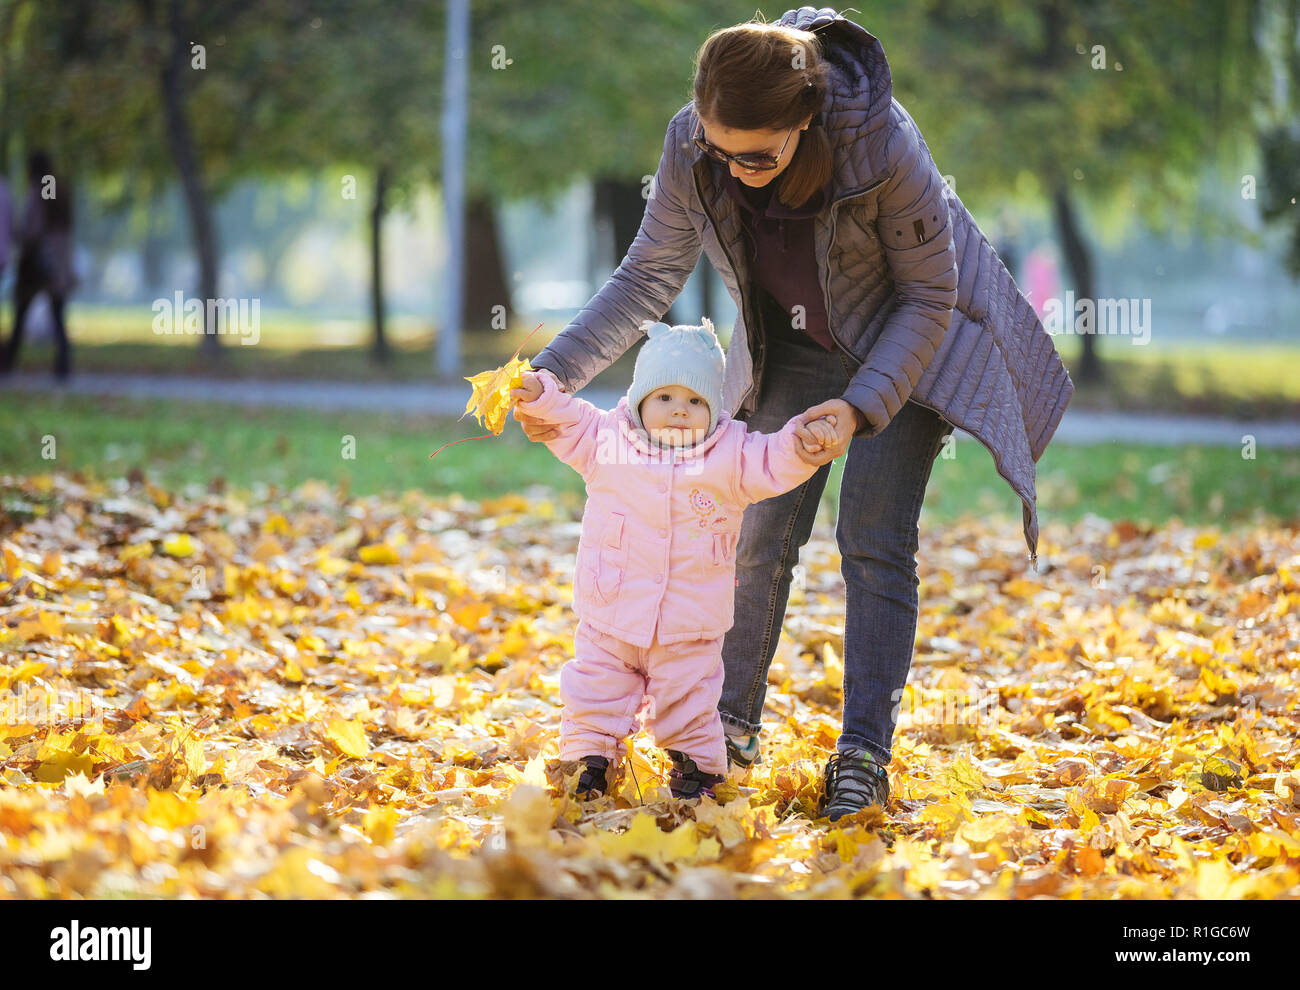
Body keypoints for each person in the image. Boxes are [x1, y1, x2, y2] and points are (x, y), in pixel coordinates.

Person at [514, 8, 1073, 821]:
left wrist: (860, 407)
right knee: (754, 528)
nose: (737, 168)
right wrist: (550, 376)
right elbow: (646, 276)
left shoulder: (882, 145)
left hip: (902, 346)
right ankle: (726, 725)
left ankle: (862, 758)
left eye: (759, 154)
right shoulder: (692, 144)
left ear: (806, 121)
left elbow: (929, 295)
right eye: (720, 148)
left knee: (875, 540)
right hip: (795, 342)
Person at [511, 318, 836, 800]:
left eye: (695, 401)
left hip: (689, 621)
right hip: (611, 611)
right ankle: (587, 761)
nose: (679, 411)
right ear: (640, 399)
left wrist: (802, 443)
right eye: (664, 398)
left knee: (690, 701)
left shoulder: (733, 454)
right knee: (595, 691)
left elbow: (774, 460)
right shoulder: (606, 441)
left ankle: (698, 771)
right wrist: (538, 391)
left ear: (715, 408)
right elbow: (565, 418)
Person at [1, 150, 76, 379]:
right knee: (56, 313)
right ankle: (62, 363)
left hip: (40, 261)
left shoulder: (45, 186)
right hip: (58, 259)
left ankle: (9, 360)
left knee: (23, 311)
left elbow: (38, 223)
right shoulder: (56, 189)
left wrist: (22, 234)